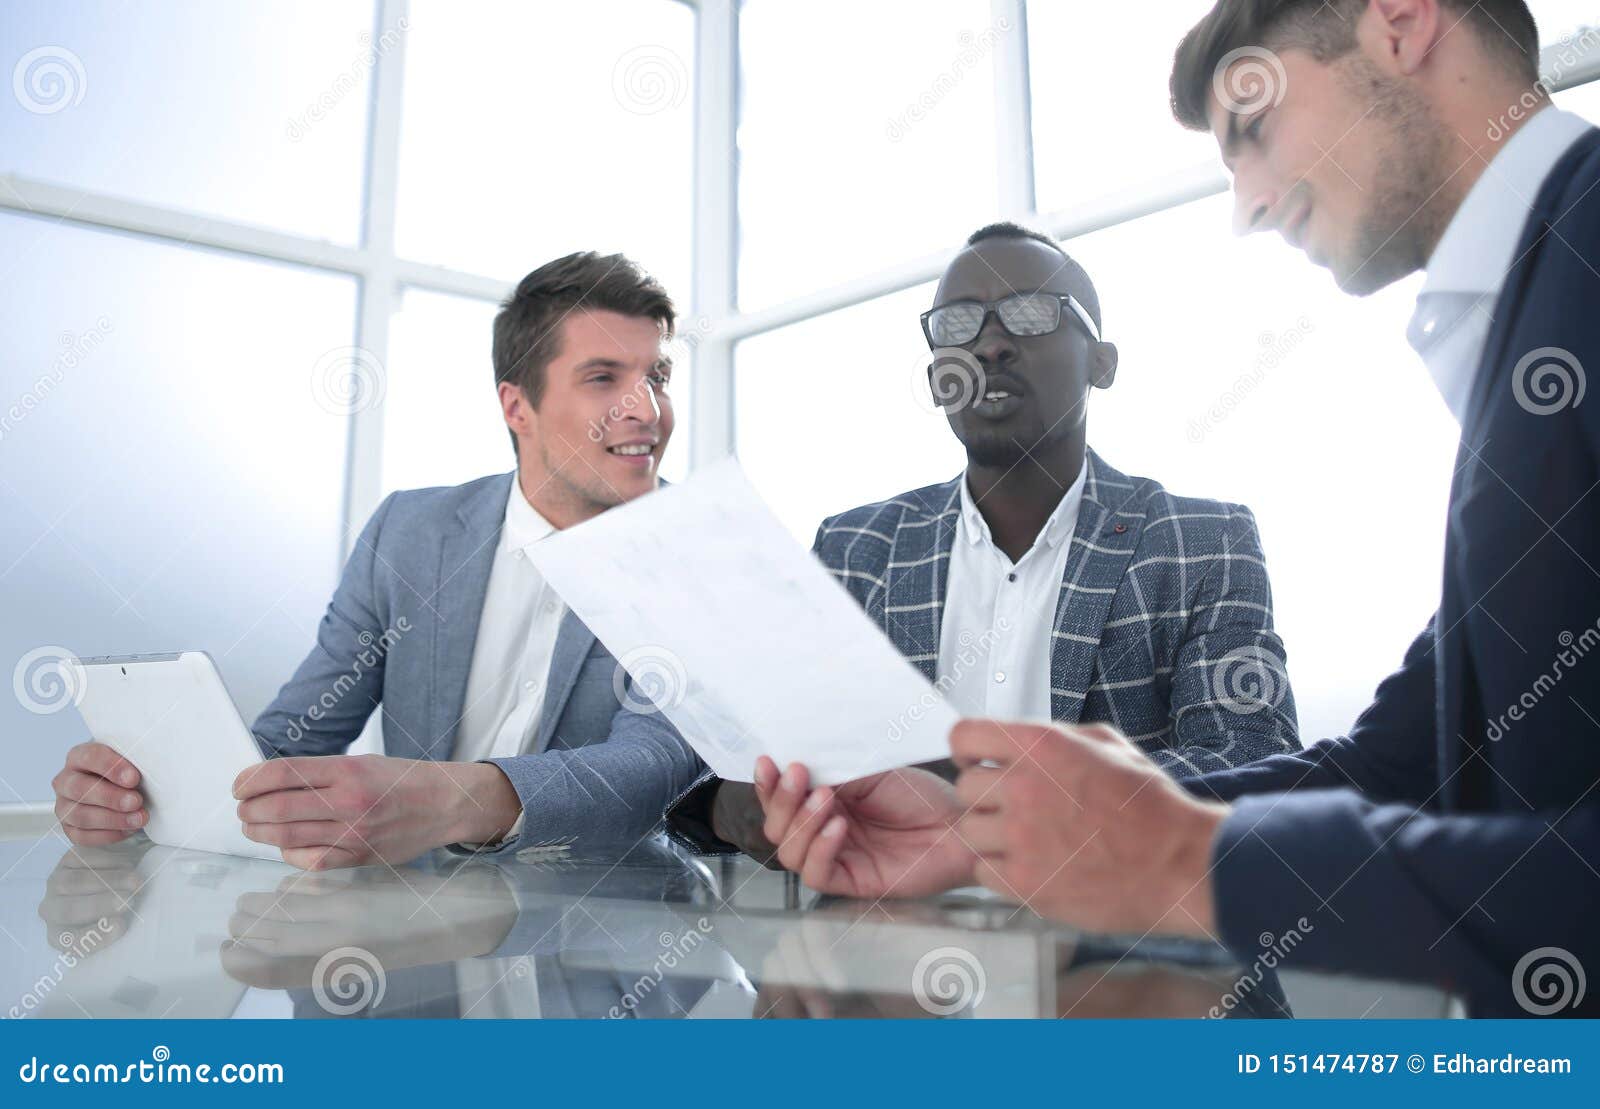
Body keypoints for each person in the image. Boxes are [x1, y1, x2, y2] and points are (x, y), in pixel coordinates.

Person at [756, 0, 1600, 1016]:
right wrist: (997, 836)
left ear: (1400, 22)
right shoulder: (1525, 320)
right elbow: (1400, 762)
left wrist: (1196, 863)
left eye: (1252, 126)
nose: (1245, 203)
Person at [668, 222, 1299, 862]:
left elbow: (1246, 768)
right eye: (956, 324)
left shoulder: (1204, 543)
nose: (990, 345)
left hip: (1124, 947)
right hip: (884, 944)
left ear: (1101, 364)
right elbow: (757, 766)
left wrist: (972, 790)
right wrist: (755, 806)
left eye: (1029, 314)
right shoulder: (857, 547)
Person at [51, 251, 700, 870]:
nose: (646, 410)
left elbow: (656, 766)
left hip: (610, 933)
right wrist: (146, 794)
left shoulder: (697, 547)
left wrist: (454, 801)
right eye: (603, 378)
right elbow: (300, 733)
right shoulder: (409, 532)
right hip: (413, 939)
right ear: (516, 406)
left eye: (658, 379)